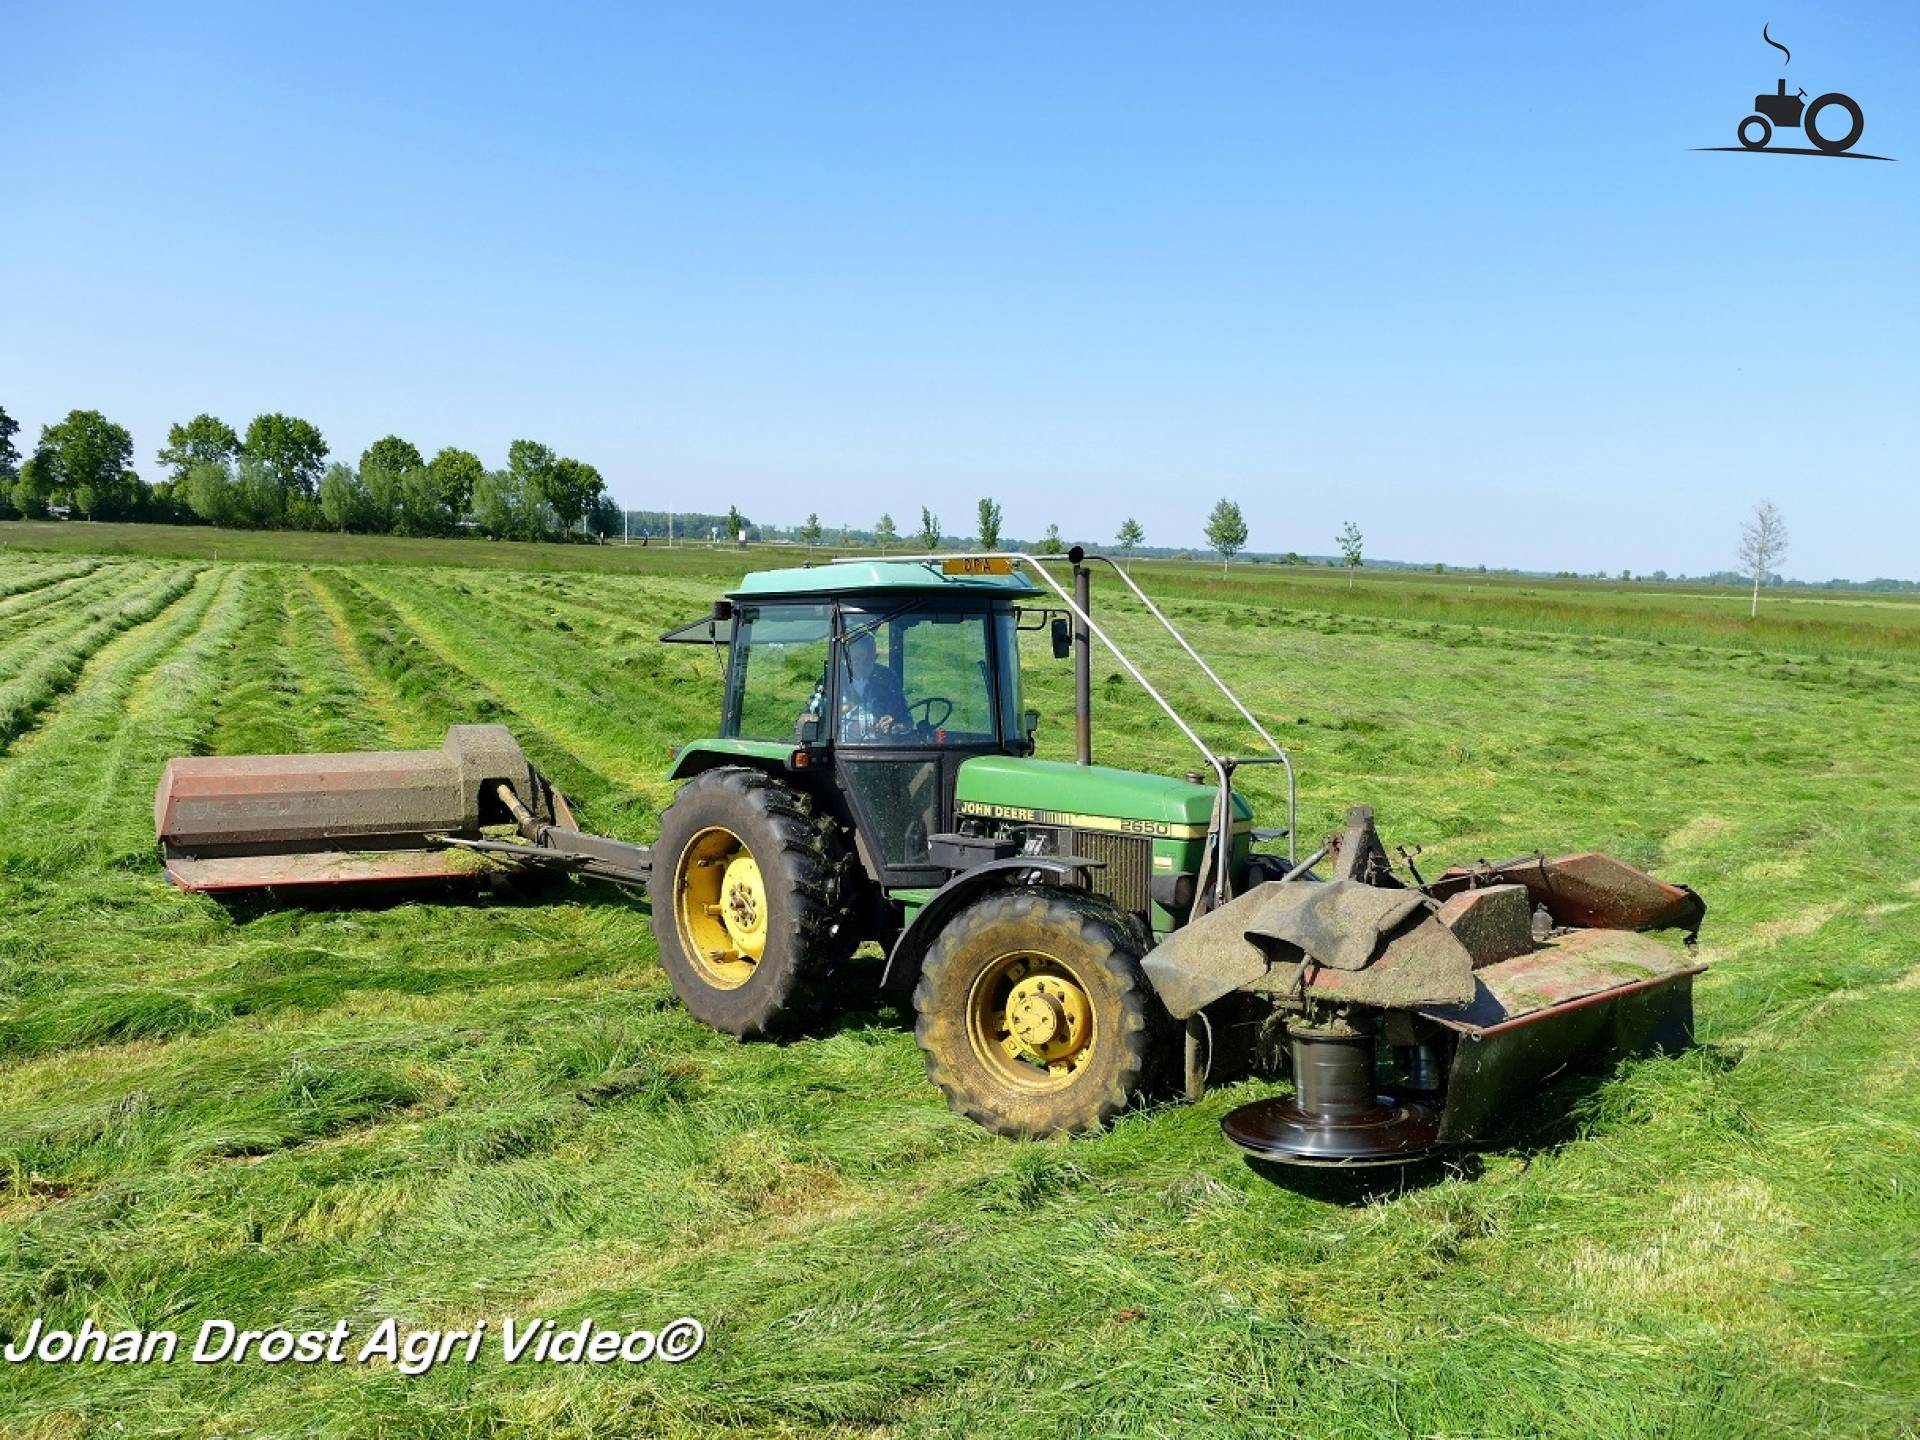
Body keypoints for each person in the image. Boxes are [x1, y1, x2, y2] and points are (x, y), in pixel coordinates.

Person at [833, 630, 910, 739]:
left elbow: (907, 722)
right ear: (845, 658)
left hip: (880, 750)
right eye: (856, 659)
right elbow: (811, 719)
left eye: (867, 660)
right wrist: (846, 729)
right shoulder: (833, 679)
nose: (861, 665)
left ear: (875, 657)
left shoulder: (887, 678)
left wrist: (895, 726)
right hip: (843, 750)